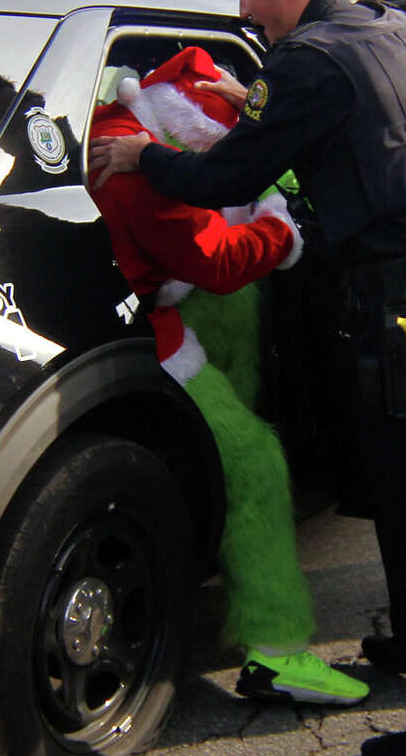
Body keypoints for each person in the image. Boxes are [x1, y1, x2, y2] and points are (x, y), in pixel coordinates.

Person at [89, 0, 406, 756]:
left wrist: (142, 159)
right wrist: (262, 108)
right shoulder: (392, 31)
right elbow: (351, 135)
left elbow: (228, 172)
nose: (242, 8)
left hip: (402, 314)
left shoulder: (309, 62)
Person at [87, 45, 367, 707]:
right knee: (255, 462)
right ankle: (277, 654)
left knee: (228, 459)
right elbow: (210, 257)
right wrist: (278, 225)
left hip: (182, 325)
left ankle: (226, 578)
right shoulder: (131, 154)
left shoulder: (142, 129)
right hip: (164, 337)